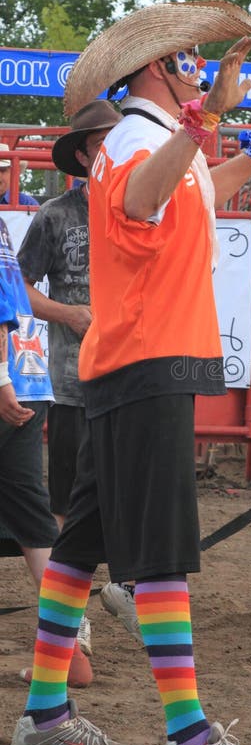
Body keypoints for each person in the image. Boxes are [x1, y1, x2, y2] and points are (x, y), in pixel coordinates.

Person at [7, 0, 251, 745]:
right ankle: (189, 740)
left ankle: (45, 718)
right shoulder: (139, 139)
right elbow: (146, 200)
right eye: (188, 59)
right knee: (162, 555)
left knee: (79, 548)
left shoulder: (144, 138)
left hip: (135, 361)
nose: (198, 69)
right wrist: (205, 119)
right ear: (156, 68)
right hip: (150, 361)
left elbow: (194, 190)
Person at [17, 100, 141, 654]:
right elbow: (17, 287)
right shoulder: (55, 215)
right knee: (66, 500)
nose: (112, 151)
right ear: (85, 156)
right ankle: (73, 614)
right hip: (72, 380)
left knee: (131, 488)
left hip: (135, 375)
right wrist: (67, 313)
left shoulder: (146, 208)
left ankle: (126, 588)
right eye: (101, 143)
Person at [0, 213, 91, 687]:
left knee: (36, 516)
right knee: (34, 519)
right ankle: (68, 652)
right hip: (30, 379)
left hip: (9, 380)